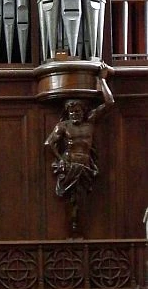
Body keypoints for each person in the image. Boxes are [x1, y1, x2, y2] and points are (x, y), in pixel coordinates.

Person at [45, 74, 113, 232]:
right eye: (71, 113)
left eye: (77, 112)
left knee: (83, 199)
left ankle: (78, 228)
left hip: (86, 163)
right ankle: (73, 228)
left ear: (83, 111)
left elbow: (109, 103)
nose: (74, 115)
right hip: (70, 163)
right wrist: (60, 159)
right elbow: (49, 143)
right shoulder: (64, 126)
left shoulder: (90, 121)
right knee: (72, 199)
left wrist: (102, 80)